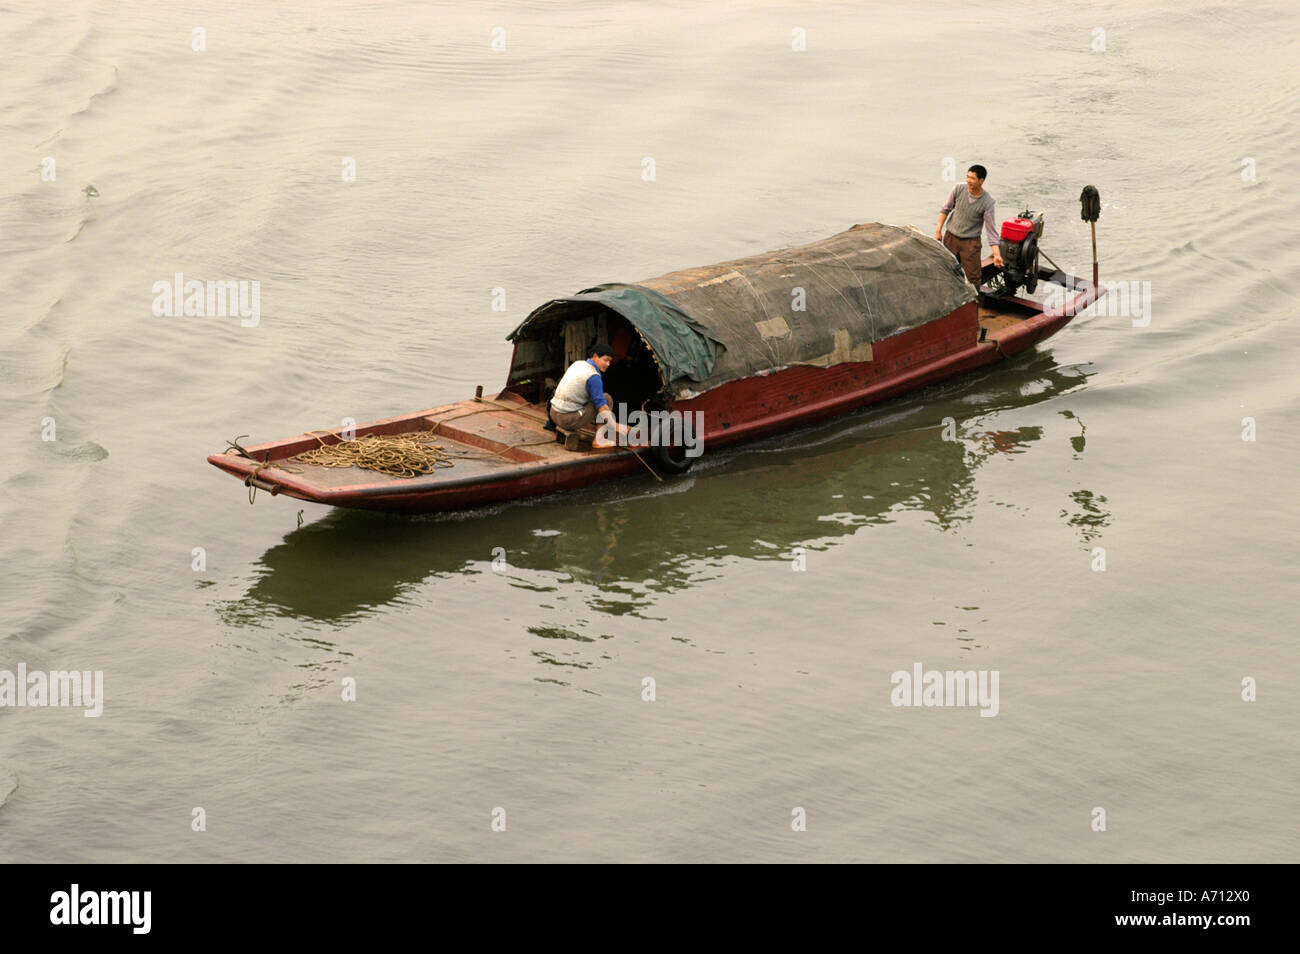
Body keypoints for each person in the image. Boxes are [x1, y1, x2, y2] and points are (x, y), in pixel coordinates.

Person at [549, 342, 628, 448]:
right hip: (567, 420)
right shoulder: (593, 377)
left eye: (610, 361)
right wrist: (614, 425)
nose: (608, 364)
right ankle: (599, 440)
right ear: (595, 356)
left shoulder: (578, 364)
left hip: (553, 413)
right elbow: (601, 406)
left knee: (586, 399)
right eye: (605, 360)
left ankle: (574, 426)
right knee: (606, 399)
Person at [935, 164, 1004, 286]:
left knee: (973, 278)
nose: (969, 181)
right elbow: (945, 210)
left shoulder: (987, 202)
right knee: (944, 271)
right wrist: (938, 230)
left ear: (981, 181)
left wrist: (997, 255)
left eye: (972, 178)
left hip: (970, 243)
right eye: (968, 177)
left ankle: (973, 302)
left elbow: (991, 231)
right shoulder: (958, 189)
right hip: (951, 238)